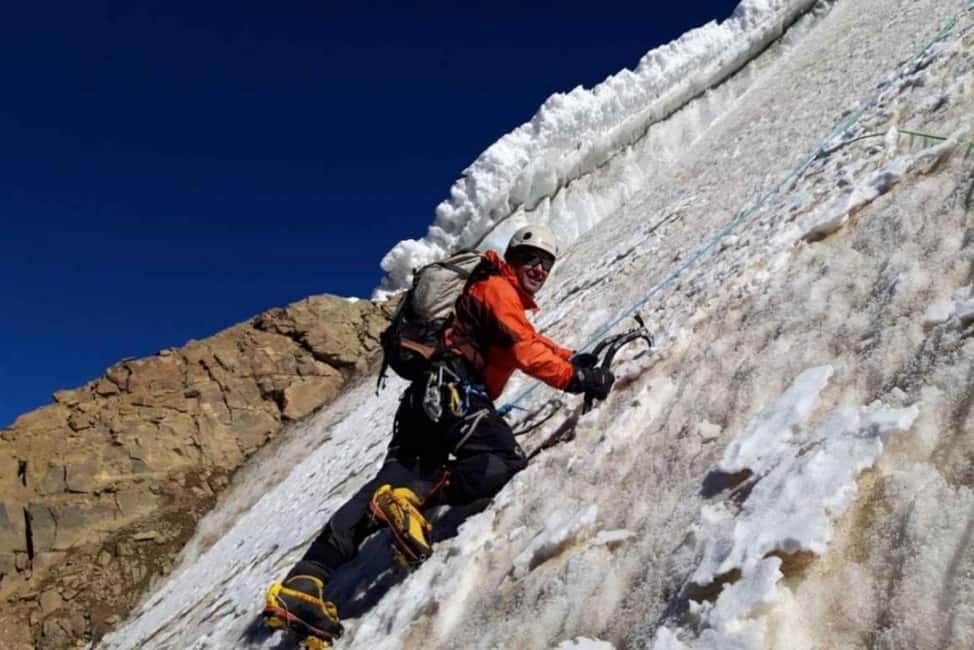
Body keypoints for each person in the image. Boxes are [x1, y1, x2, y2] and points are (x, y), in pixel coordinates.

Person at [262, 224, 615, 645]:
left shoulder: (496, 296)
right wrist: (578, 378)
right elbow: (525, 351)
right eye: (530, 258)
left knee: (389, 484)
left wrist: (571, 358)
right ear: (512, 259)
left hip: (422, 402)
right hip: (454, 393)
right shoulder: (498, 289)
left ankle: (304, 580)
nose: (538, 267)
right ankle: (410, 501)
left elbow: (528, 340)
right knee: (500, 463)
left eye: (546, 261)